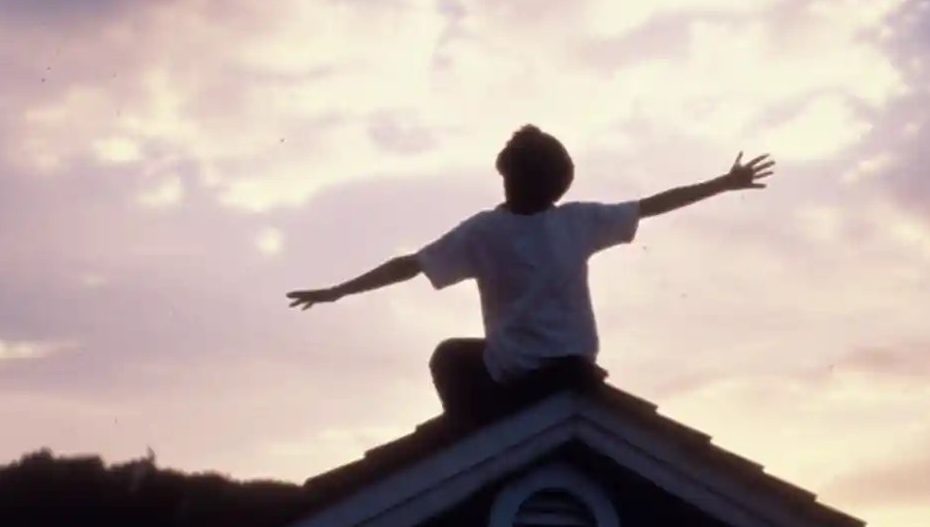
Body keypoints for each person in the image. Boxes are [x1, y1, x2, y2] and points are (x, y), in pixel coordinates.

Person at [286, 125, 774, 421]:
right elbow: (653, 205)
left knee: (450, 359)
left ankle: (473, 443)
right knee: (456, 357)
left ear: (507, 174)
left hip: (516, 374)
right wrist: (723, 184)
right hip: (573, 364)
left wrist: (337, 292)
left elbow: (409, 266)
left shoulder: (484, 231)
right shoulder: (576, 220)